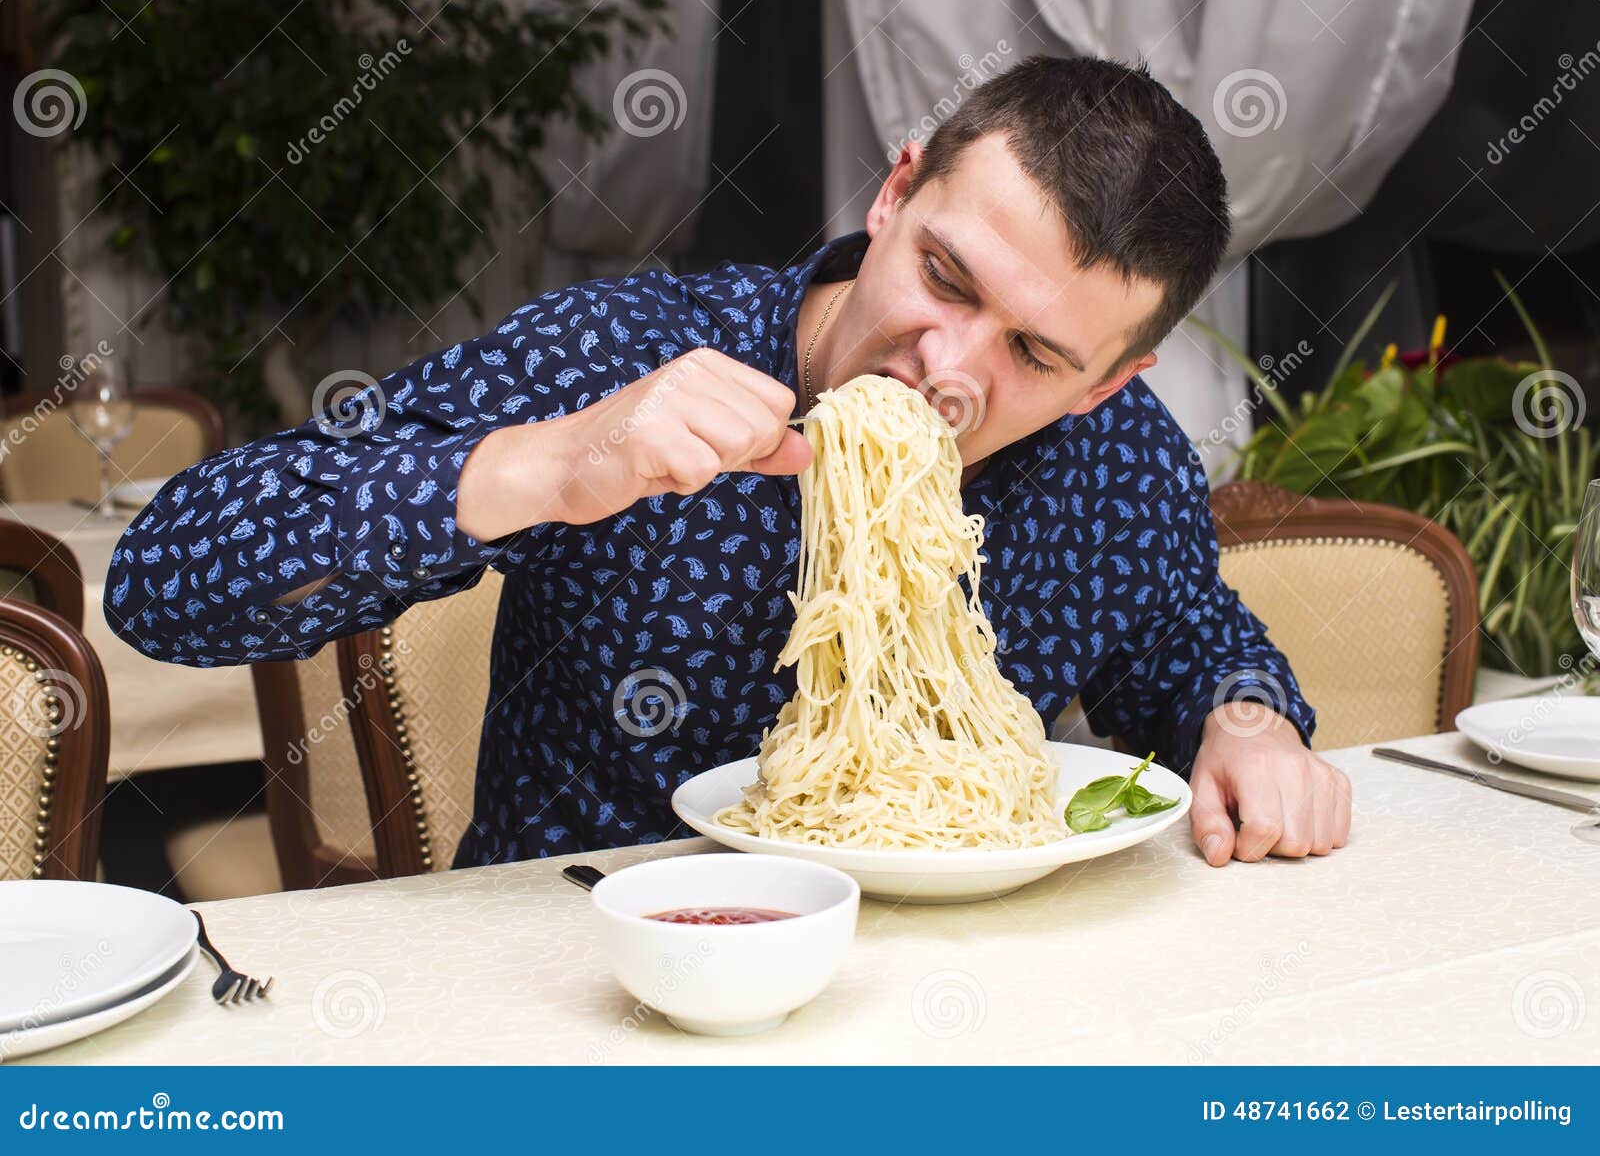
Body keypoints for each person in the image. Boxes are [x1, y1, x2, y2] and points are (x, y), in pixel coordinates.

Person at [107, 56, 1350, 870]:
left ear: (1110, 380)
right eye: (944, 276)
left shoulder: (1115, 457)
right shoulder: (627, 349)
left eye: (1032, 350)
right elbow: (166, 582)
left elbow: (1182, 631)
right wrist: (545, 467)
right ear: (894, 194)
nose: (943, 363)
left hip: (958, 1010)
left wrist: (1243, 720)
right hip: (589, 989)